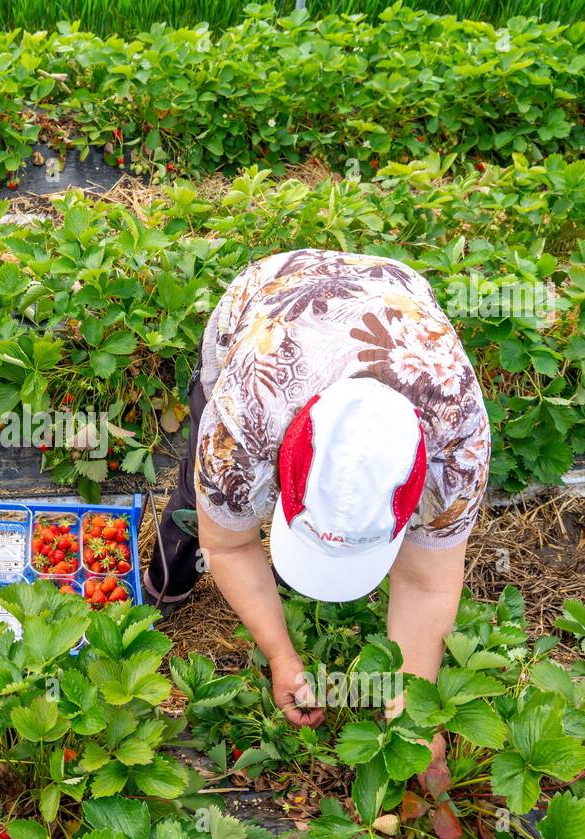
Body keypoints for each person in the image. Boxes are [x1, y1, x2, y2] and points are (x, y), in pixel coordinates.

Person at [143, 249, 492, 730]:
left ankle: (280, 577)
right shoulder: (243, 417)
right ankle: (167, 584)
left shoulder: (456, 438)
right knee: (198, 501)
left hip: (397, 293)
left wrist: (415, 725)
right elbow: (228, 545)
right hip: (272, 294)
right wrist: (280, 655)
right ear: (282, 473)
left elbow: (425, 582)